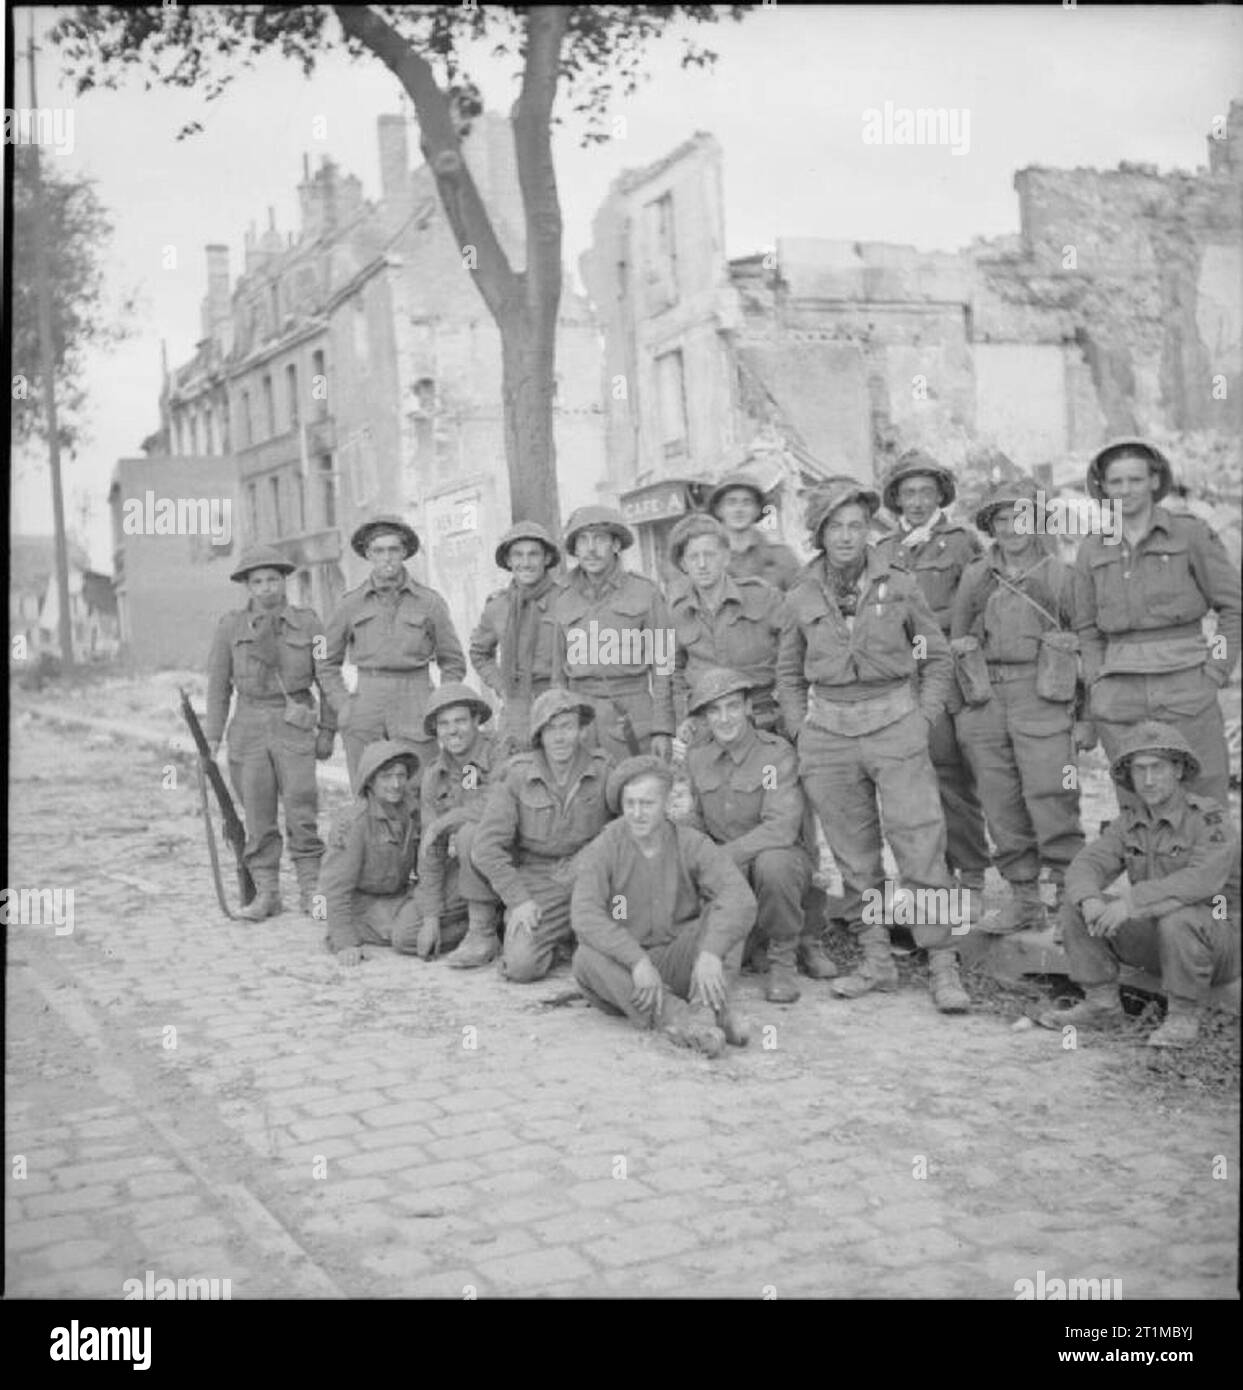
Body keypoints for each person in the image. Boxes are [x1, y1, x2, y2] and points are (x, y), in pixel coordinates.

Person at [785, 476, 970, 1013]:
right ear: (819, 533)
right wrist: (802, 730)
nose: (846, 536)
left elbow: (936, 658)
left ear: (869, 530)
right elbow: (788, 673)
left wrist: (923, 719)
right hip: (830, 735)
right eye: (835, 526)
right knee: (854, 857)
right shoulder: (800, 594)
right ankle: (876, 960)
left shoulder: (900, 583)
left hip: (895, 724)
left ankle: (942, 965)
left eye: (856, 525)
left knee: (921, 846)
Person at [1040, 723, 1239, 1048]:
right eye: (1139, 770)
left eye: (1157, 768)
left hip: (1221, 943)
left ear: (1178, 769)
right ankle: (1102, 1005)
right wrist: (1090, 900)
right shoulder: (1130, 823)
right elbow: (1086, 864)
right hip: (1163, 941)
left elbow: (1201, 880)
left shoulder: (1209, 819)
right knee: (1079, 901)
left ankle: (1183, 1016)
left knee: (1180, 915)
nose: (1148, 780)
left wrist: (1131, 904)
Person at [951, 475, 1086, 933]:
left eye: (1021, 516)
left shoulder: (1059, 575)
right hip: (986, 696)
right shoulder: (976, 576)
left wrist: (1084, 719)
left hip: (1043, 693)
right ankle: (1024, 897)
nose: (1012, 528)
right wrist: (964, 714)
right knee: (998, 800)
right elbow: (957, 641)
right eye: (1002, 518)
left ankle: (1071, 896)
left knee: (1052, 793)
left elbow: (1086, 643)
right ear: (990, 525)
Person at [1074, 437, 1240, 805]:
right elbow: (1086, 630)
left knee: (1202, 792)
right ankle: (1145, 865)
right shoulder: (1092, 548)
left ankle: (1212, 865)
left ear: (1154, 480)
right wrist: (1098, 684)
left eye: (1135, 479)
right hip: (1120, 693)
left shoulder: (1190, 533)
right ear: (1103, 488)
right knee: (1137, 799)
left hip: (1185, 683)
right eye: (1116, 482)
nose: (1125, 490)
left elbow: (1232, 608)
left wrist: (1215, 671)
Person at [571, 755, 756, 1058]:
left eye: (647, 803)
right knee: (585, 957)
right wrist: (636, 961)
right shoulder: (605, 846)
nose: (637, 813)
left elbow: (739, 898)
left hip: (680, 960)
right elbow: (584, 914)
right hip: (627, 974)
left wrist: (709, 953)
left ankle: (706, 1009)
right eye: (630, 804)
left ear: (667, 803)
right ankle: (685, 1018)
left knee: (725, 917)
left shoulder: (691, 842)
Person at [875, 450, 990, 909]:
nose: (917, 502)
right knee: (905, 776)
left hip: (947, 670)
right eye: (908, 493)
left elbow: (983, 605)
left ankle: (973, 870)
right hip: (900, 675)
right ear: (896, 499)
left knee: (949, 770)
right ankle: (924, 871)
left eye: (926, 492)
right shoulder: (883, 550)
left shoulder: (962, 542)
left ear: (940, 495)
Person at [681, 668, 835, 1001]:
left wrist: (723, 858)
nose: (724, 719)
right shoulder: (698, 757)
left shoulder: (774, 755)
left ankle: (783, 959)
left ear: (749, 707)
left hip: (778, 861)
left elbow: (781, 828)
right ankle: (743, 946)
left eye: (732, 707)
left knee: (773, 864)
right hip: (733, 869)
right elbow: (697, 817)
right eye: (714, 711)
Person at [204, 545, 336, 920]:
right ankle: (267, 893)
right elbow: (217, 686)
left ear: (284, 582)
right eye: (258, 581)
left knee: (302, 807)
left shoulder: (310, 624)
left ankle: (312, 890)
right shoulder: (230, 627)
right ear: (247, 586)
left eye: (273, 580)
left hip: (293, 722)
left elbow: (327, 679)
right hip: (247, 724)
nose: (266, 588)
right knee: (257, 813)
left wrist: (328, 730)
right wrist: (212, 738)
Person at [467, 687, 613, 982]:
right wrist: (518, 900)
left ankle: (576, 936)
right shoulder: (519, 775)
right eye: (551, 729)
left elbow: (627, 825)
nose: (560, 737)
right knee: (522, 967)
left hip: (594, 875)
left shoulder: (604, 769)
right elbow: (486, 847)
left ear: (581, 730)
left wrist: (596, 856)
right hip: (539, 880)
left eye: (567, 727)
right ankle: (549, 933)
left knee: (624, 941)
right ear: (539, 735)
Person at [322, 514, 467, 789]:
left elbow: (454, 661)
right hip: (366, 701)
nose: (386, 558)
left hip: (415, 697)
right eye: (378, 551)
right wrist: (343, 705)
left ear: (404, 553)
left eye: (393, 550)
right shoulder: (349, 604)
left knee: (422, 788)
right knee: (367, 789)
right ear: (368, 554)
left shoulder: (430, 602)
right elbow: (324, 660)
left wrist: (441, 705)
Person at [553, 505, 675, 762]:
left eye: (600, 539)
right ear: (575, 550)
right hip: (582, 719)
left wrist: (662, 728)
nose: (591, 549)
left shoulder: (646, 593)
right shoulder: (562, 599)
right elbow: (558, 675)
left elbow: (663, 668)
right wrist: (560, 726)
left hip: (631, 717)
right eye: (583, 541)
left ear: (616, 545)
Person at [667, 512, 801, 742]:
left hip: (764, 723)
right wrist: (684, 717)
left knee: (772, 778)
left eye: (709, 555)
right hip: (709, 728)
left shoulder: (764, 597)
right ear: (683, 564)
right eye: (693, 557)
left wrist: (794, 722)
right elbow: (671, 673)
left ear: (726, 557)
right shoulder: (672, 613)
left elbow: (792, 659)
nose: (702, 564)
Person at [414, 682, 502, 965]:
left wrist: (445, 822)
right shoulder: (434, 774)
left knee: (469, 834)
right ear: (436, 730)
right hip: (474, 872)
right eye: (444, 724)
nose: (453, 730)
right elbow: (431, 850)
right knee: (406, 934)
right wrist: (430, 919)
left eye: (461, 721)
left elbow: (496, 805)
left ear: (477, 720)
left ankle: (482, 933)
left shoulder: (500, 751)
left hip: (515, 862)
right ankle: (492, 920)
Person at [320, 741, 422, 967]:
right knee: (409, 934)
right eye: (386, 776)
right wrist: (344, 941)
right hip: (367, 905)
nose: (396, 784)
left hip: (401, 895)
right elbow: (331, 887)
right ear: (370, 780)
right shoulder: (354, 822)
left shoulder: (411, 811)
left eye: (401, 775)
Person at [469, 521, 565, 759]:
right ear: (509, 561)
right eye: (518, 555)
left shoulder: (566, 599)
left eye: (533, 554)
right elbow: (480, 653)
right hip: (515, 705)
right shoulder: (497, 606)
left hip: (557, 698)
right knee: (510, 771)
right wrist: (501, 686)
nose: (526, 562)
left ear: (546, 558)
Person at [708, 467, 801, 592]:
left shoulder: (782, 557)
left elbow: (803, 605)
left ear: (758, 510)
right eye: (731, 502)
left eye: (747, 503)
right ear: (718, 509)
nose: (739, 510)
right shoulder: (704, 558)